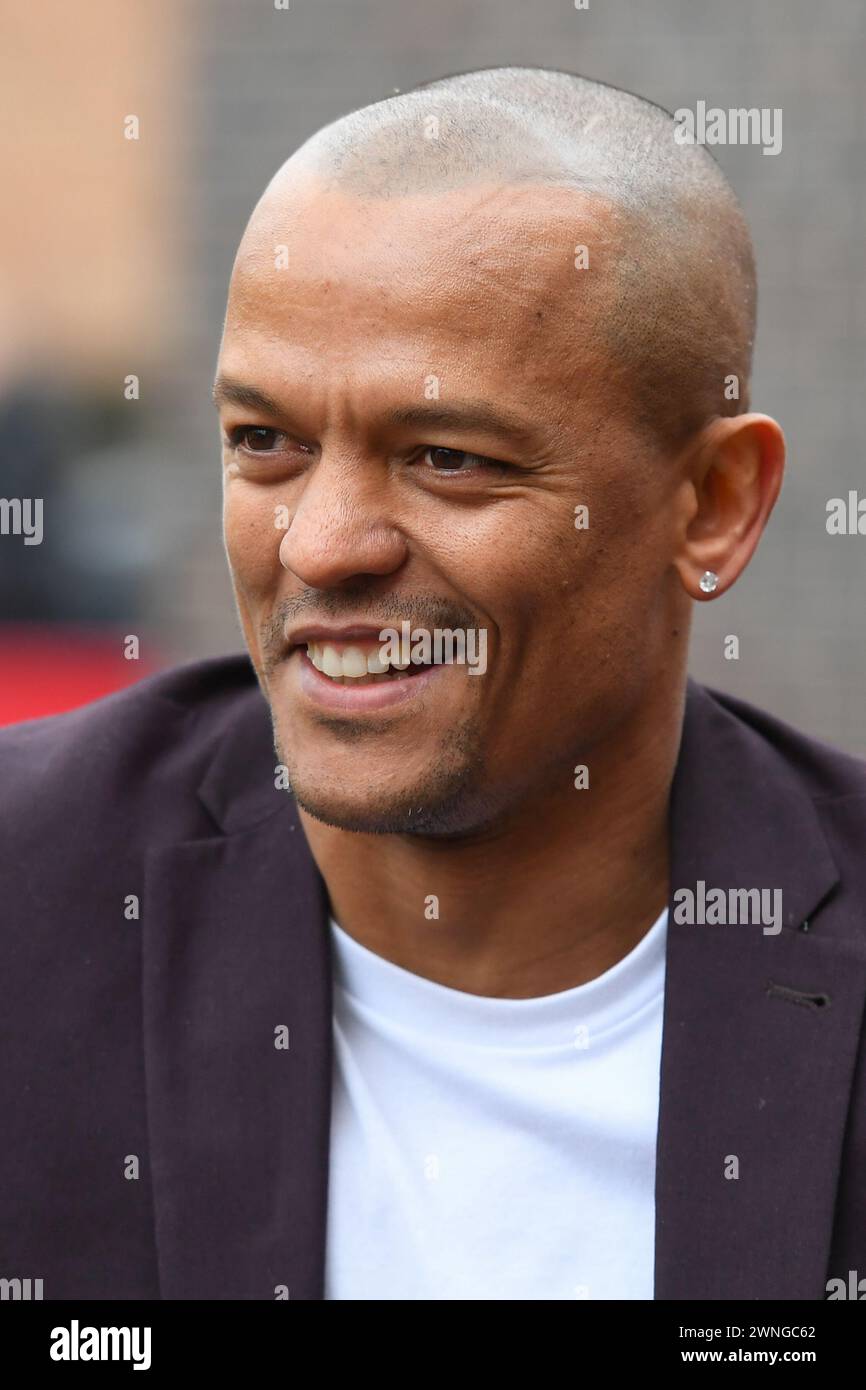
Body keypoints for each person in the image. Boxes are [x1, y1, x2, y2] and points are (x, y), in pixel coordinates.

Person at [2, 66, 865, 1302]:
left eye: (446, 458)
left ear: (713, 505)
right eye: (265, 443)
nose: (319, 544)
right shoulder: (28, 898)